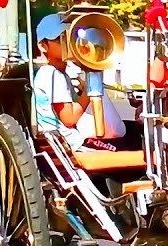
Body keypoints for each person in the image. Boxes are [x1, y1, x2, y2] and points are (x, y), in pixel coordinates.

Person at [32, 12, 127, 152]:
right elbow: (69, 118)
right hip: (69, 143)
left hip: (70, 140)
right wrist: (89, 90)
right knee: (124, 149)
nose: (68, 44)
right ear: (43, 46)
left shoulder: (58, 73)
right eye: (60, 39)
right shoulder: (51, 74)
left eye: (70, 37)